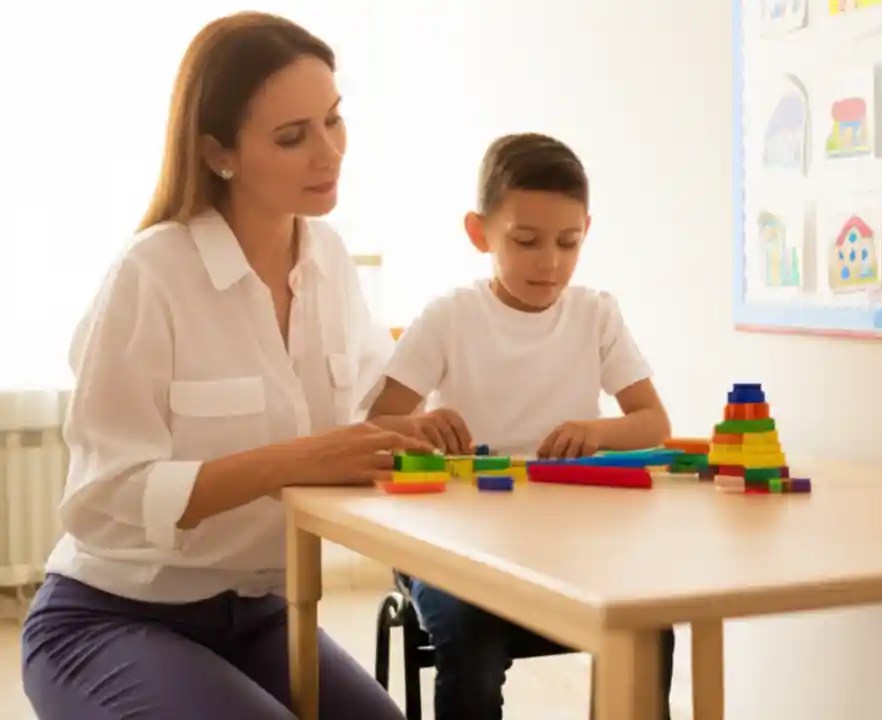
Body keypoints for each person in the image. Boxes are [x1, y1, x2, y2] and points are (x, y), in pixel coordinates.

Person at [20, 12, 432, 719]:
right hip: (110, 616)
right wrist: (299, 457)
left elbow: (367, 417)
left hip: (257, 614)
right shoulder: (151, 274)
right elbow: (104, 495)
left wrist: (421, 425)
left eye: (334, 122)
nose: (328, 153)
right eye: (292, 137)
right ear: (218, 153)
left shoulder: (329, 260)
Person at [366, 132, 677, 719]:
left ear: (588, 228)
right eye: (526, 241)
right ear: (479, 232)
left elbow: (653, 423)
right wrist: (422, 425)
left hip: (565, 534)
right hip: (454, 541)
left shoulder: (595, 313)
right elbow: (378, 420)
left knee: (648, 622)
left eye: (569, 242)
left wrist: (597, 431)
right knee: (470, 634)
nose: (550, 262)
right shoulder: (449, 315)